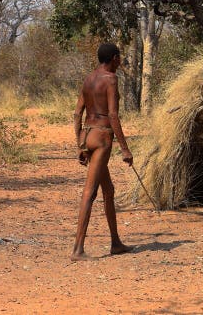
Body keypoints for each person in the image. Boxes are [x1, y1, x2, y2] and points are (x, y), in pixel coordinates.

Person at [70, 43, 134, 261]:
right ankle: (78, 249)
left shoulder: (88, 79)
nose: (120, 62)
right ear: (114, 58)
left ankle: (116, 242)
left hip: (88, 136)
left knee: (109, 191)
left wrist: (80, 144)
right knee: (90, 192)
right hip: (103, 138)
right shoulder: (111, 79)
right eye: (120, 58)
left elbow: (78, 113)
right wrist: (125, 149)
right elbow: (114, 116)